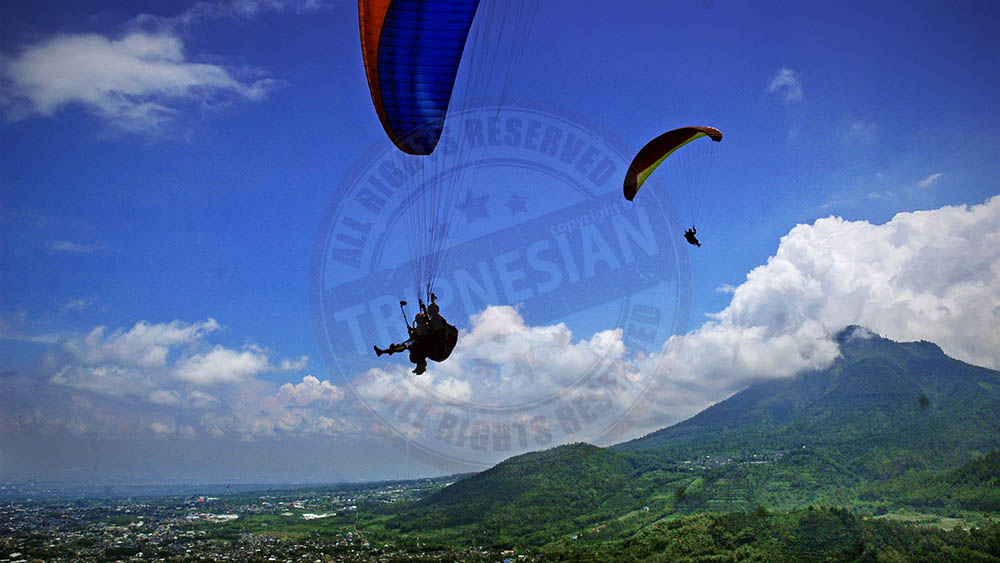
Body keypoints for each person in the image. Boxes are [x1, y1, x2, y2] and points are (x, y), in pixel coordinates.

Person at [374, 293, 456, 375]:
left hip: (440, 347)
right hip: (440, 350)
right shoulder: (421, 341)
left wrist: (432, 301)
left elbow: (404, 346)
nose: (419, 325)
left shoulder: (433, 326)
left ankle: (384, 352)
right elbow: (404, 346)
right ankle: (384, 351)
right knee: (414, 342)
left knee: (415, 341)